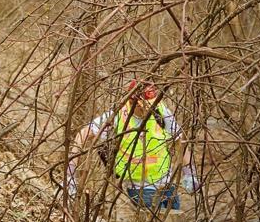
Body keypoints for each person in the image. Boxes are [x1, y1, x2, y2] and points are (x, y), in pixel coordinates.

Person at [67, 80, 200, 212]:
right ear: (132, 102)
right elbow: (83, 135)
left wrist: (189, 173)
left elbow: (179, 140)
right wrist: (70, 176)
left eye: (151, 105)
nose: (148, 109)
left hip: (166, 184)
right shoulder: (118, 116)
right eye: (144, 105)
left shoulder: (161, 111)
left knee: (175, 218)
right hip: (139, 187)